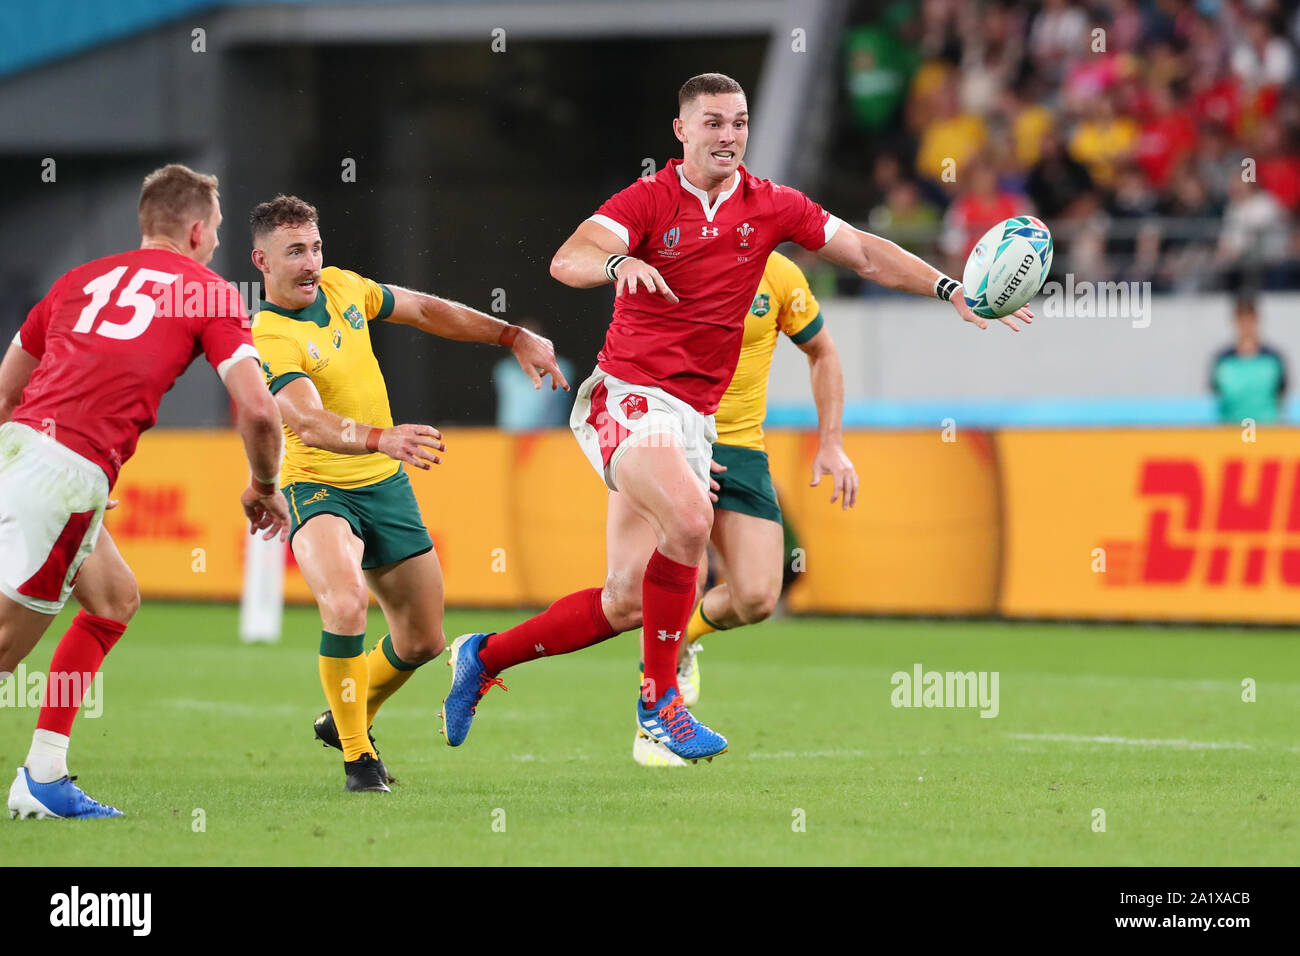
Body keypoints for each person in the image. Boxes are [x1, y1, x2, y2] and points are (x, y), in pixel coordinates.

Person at [440, 72, 1030, 764]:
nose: (729, 135)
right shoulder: (650, 199)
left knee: (630, 600)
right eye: (713, 122)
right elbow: (569, 258)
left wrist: (948, 286)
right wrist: (621, 260)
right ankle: (660, 704)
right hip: (626, 396)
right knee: (691, 522)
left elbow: (865, 252)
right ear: (682, 131)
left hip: (694, 418)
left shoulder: (772, 206)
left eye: (739, 122)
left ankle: (483, 655)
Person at [248, 196, 565, 793]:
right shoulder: (268, 337)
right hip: (318, 486)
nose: (311, 261)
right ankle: (357, 756)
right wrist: (380, 437)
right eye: (295, 251)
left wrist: (510, 334)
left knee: (423, 639)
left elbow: (422, 309)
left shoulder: (344, 288)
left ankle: (341, 718)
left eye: (315, 246)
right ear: (261, 260)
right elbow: (308, 423)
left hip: (383, 482)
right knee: (344, 605)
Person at [2, 164, 290, 819]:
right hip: (64, 473)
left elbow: (6, 389)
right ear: (195, 230)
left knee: (114, 598)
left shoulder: (77, 279)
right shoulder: (210, 293)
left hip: (20, 450)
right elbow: (258, 409)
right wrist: (264, 484)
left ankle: (43, 776)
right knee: (4, 648)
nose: (215, 242)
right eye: (215, 230)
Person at [633, 250, 858, 766]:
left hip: (741, 448)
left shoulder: (779, 275)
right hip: (669, 436)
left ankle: (683, 642)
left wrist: (831, 442)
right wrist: (669, 440)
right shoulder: (674, 254)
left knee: (758, 597)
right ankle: (655, 715)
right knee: (671, 580)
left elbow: (822, 351)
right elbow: (634, 353)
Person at [1210, 296, 1287, 425]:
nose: (1246, 326)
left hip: (1267, 432)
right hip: (1232, 431)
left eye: (1249, 319)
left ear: (1257, 320)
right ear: (1235, 321)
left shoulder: (1273, 358)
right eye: (1242, 320)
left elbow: (1281, 394)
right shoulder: (1223, 360)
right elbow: (1217, 393)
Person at [493, 318, 575, 430]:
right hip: (511, 438)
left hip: (552, 438)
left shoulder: (563, 369)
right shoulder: (505, 371)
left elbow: (545, 402)